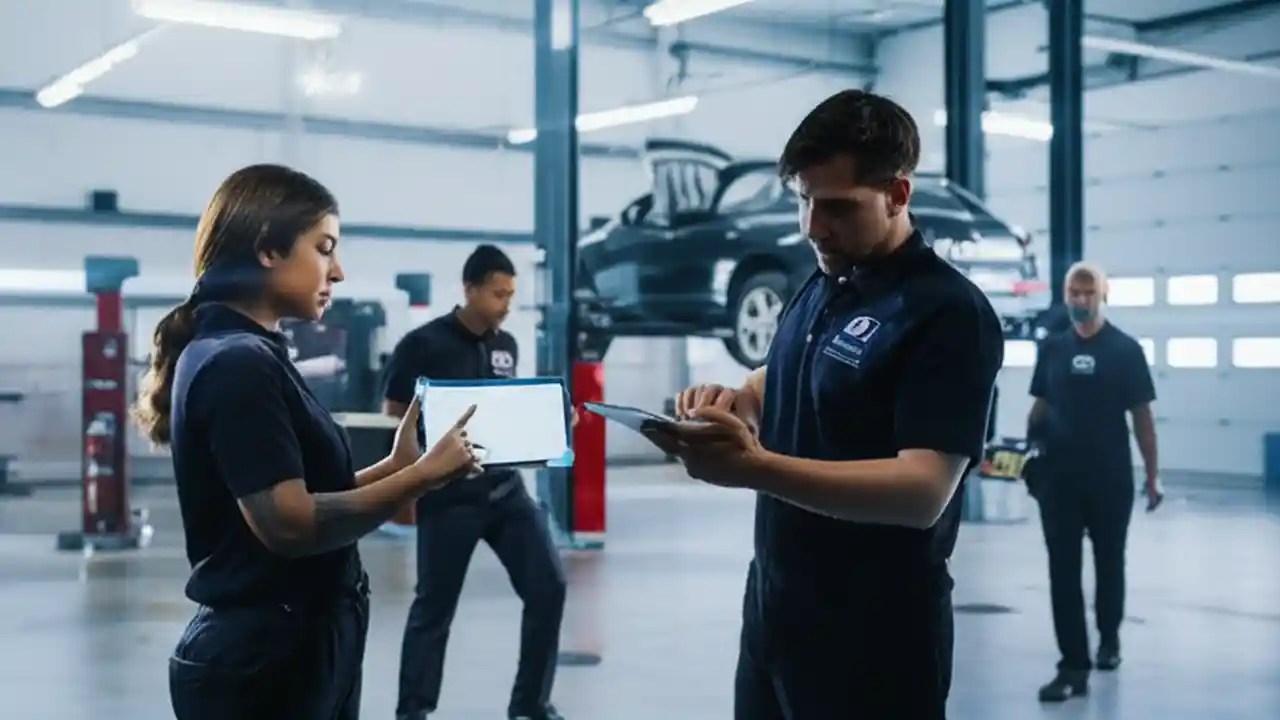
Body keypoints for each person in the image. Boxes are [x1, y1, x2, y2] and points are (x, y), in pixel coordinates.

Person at [650, 89, 1005, 719]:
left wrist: (752, 468)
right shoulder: (823, 282)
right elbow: (779, 374)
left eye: (837, 207)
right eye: (804, 201)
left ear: (898, 194)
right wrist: (736, 402)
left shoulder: (948, 314)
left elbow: (923, 490)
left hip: (873, 643)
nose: (813, 226)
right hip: (774, 614)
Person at [132, 163, 481, 720]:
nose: (337, 271)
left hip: (297, 645)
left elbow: (308, 495)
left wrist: (396, 467)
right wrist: (422, 478)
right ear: (269, 248)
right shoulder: (238, 364)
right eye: (324, 248)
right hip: (263, 661)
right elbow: (289, 525)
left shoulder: (255, 352)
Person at [382, 244, 567, 720]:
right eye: (497, 294)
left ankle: (530, 704)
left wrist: (548, 426)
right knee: (434, 608)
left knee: (548, 587)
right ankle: (413, 711)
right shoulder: (422, 344)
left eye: (510, 294)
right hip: (450, 498)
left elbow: (507, 409)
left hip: (506, 493)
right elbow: (395, 412)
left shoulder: (507, 346)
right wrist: (417, 470)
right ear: (469, 289)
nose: (506, 304)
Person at [1027, 261, 1161, 703]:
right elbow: (1041, 408)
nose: (1080, 300)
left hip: (1110, 480)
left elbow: (1142, 417)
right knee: (1061, 572)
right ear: (1064, 295)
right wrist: (1022, 456)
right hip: (1060, 483)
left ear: (1104, 295)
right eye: (1073, 292)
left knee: (1109, 563)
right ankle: (1072, 666)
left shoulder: (1125, 350)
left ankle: (1109, 639)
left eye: (1088, 292)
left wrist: (1153, 477)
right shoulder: (1053, 349)